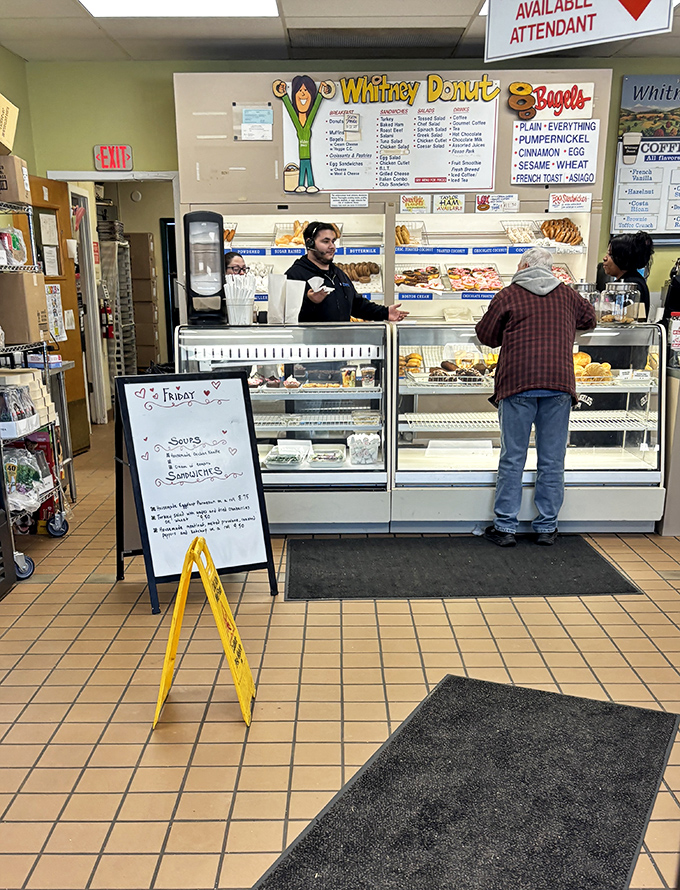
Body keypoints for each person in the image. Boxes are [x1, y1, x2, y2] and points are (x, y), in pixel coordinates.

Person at [475, 247, 597, 547]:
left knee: (513, 457)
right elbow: (590, 319)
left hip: (518, 384)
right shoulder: (567, 295)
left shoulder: (508, 295)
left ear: (525, 265)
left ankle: (505, 527)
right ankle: (546, 527)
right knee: (552, 460)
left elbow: (486, 336)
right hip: (558, 385)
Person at [285, 221, 409, 323]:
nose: (332, 246)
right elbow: (285, 317)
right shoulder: (294, 275)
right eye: (325, 241)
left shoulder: (338, 274)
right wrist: (310, 302)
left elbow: (356, 305)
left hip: (342, 345)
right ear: (309, 243)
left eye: (333, 241)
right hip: (311, 348)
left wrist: (385, 312)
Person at [602, 231, 654, 320]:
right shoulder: (635, 279)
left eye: (610, 254)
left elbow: (628, 321)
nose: (605, 258)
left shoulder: (630, 286)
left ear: (622, 257)